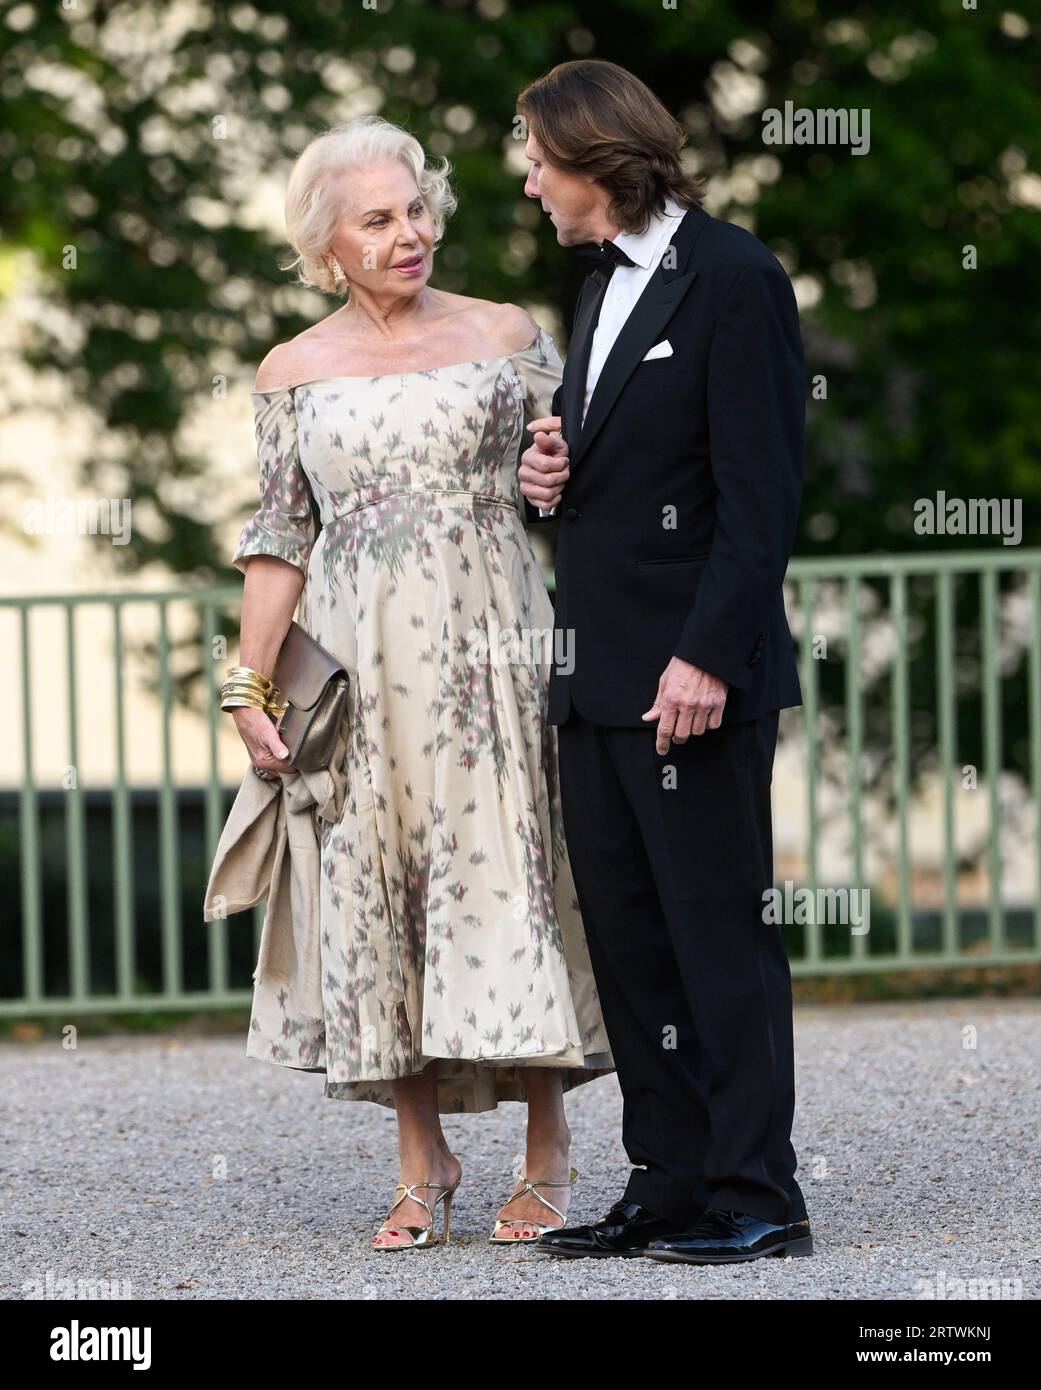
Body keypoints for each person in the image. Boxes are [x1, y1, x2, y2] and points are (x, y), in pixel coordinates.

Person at [221, 114, 614, 1251]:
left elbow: (573, 469)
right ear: (327, 243)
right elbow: (277, 537)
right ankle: (420, 1156)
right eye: (379, 219)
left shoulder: (504, 332)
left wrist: (553, 469)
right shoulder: (293, 369)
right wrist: (249, 694)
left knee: (514, 869)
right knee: (375, 881)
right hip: (358, 663)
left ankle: (547, 1150)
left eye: (419, 209)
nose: (411, 233)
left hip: (497, 642)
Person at [516, 60, 813, 1264]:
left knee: (716, 937)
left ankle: (759, 1191)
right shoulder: (601, 292)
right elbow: (634, 480)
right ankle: (672, 1178)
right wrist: (552, 481)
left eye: (539, 160)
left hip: (693, 685)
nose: (530, 184)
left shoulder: (734, 277)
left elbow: (760, 496)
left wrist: (707, 659)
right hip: (596, 682)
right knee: (635, 945)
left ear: (597, 158)